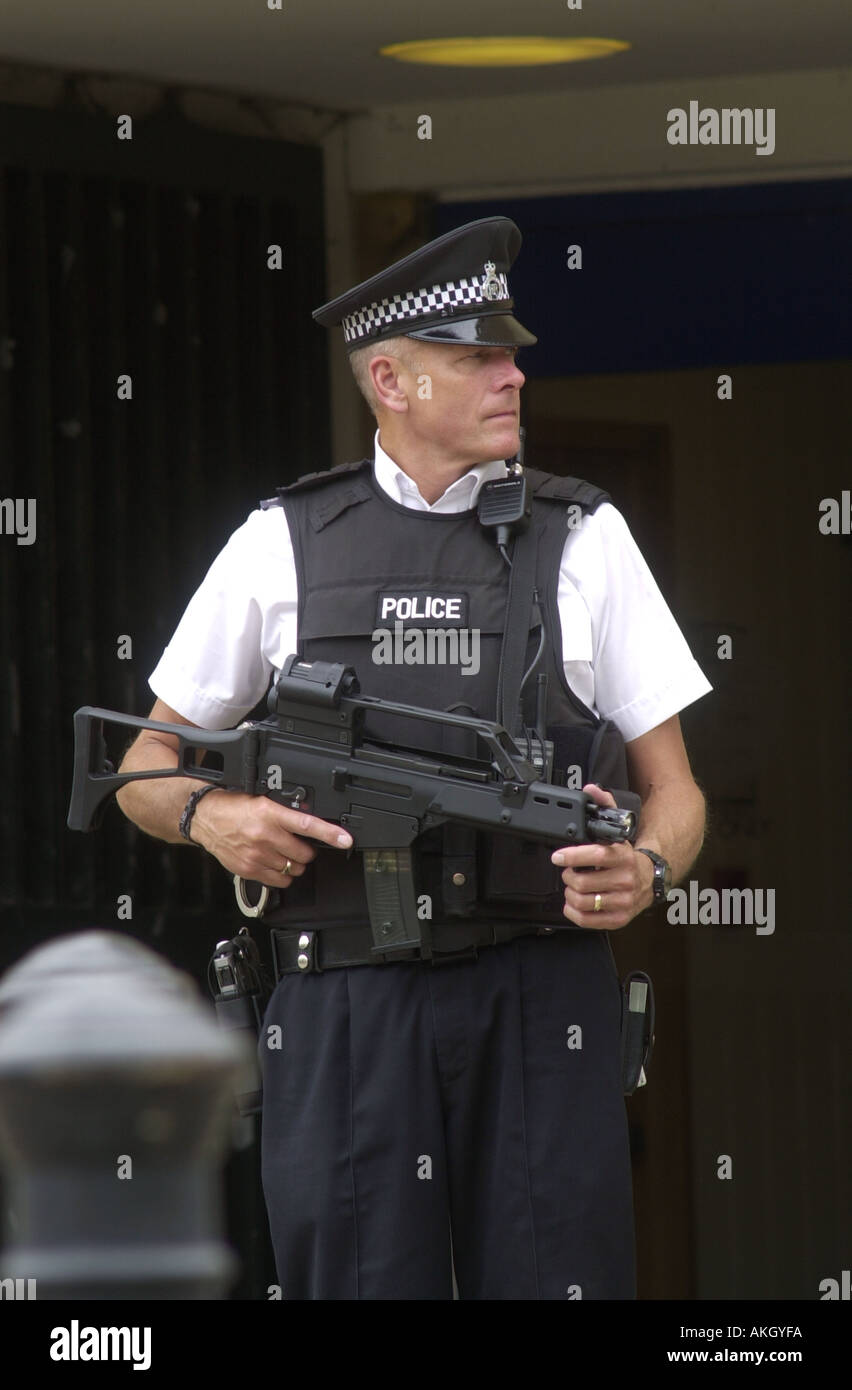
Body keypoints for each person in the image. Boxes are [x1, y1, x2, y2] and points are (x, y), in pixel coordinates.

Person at [116, 216, 710, 1300]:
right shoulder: (283, 541)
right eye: (478, 356)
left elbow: (677, 794)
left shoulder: (584, 536)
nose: (514, 375)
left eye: (512, 353)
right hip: (347, 1004)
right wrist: (215, 819)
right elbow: (146, 762)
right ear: (391, 379)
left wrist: (652, 871)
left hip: (540, 992)